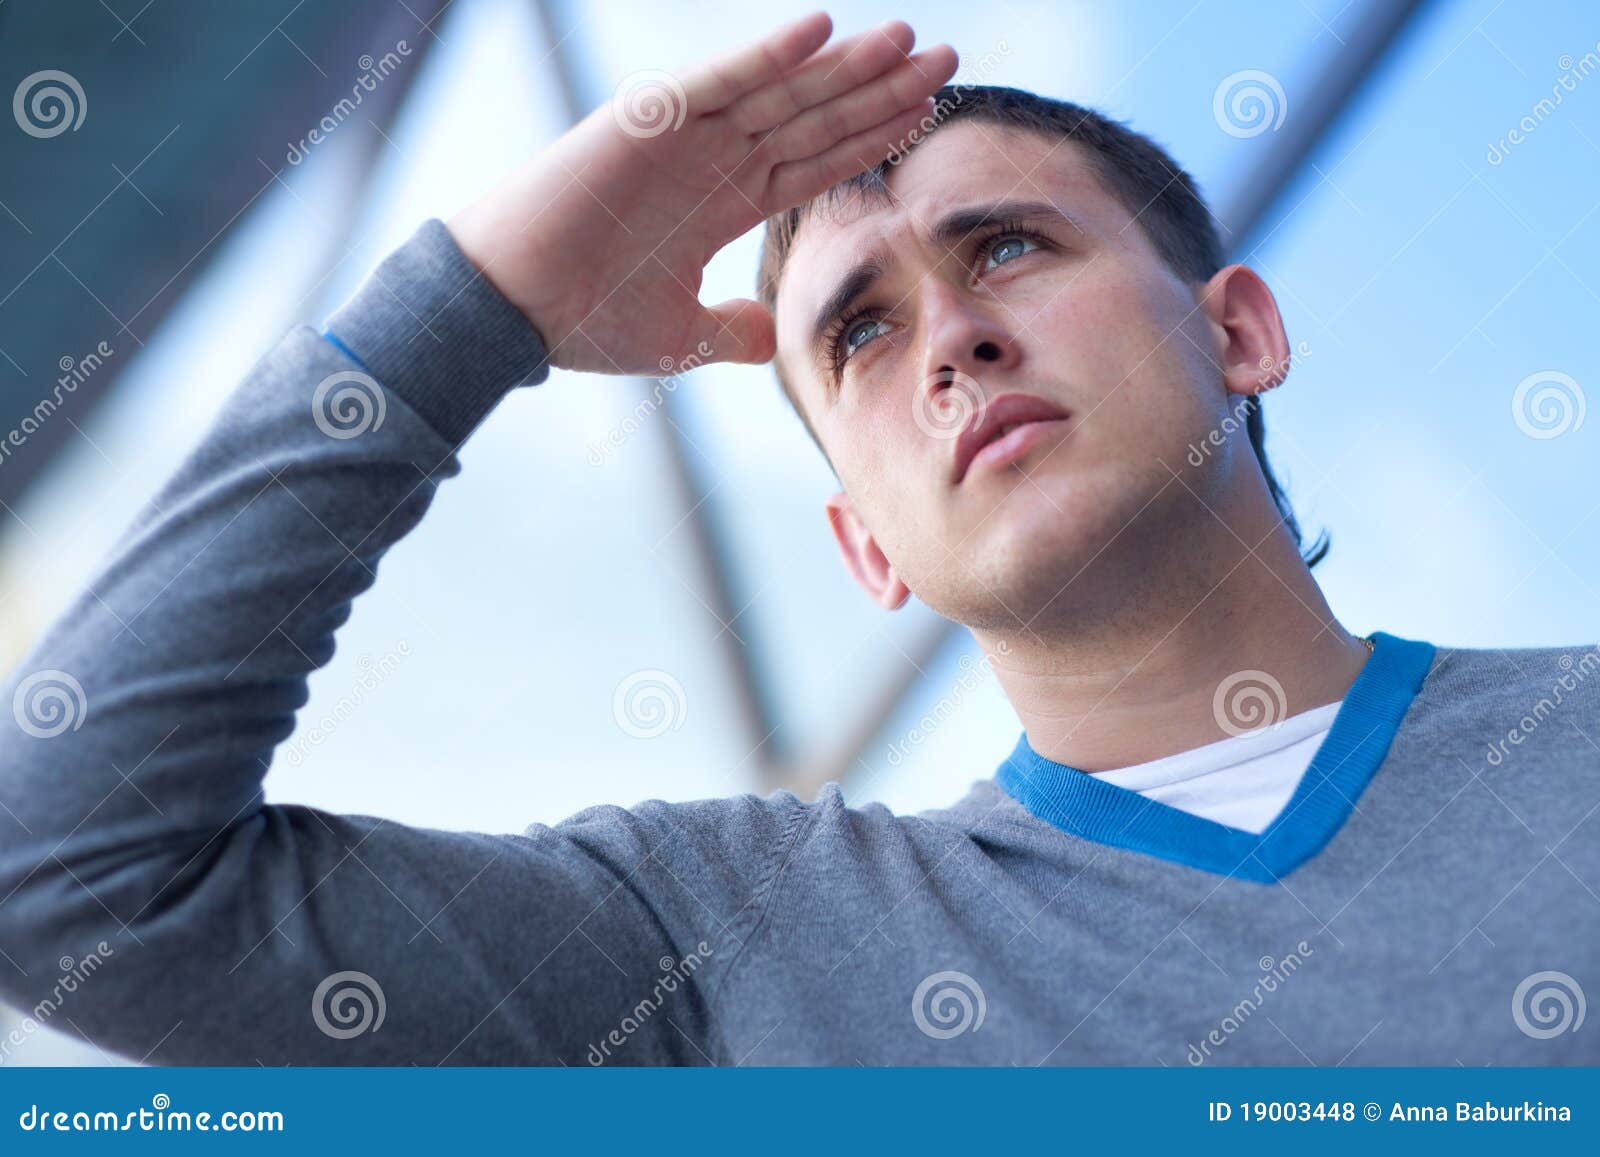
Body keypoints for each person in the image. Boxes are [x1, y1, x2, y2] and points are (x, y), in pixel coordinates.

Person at [0, 11, 1594, 1067]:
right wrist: (474, 302)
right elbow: (68, 880)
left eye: (1008, 246)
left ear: (1238, 330)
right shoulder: (725, 942)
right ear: (865, 546)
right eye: (859, 331)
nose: (953, 338)